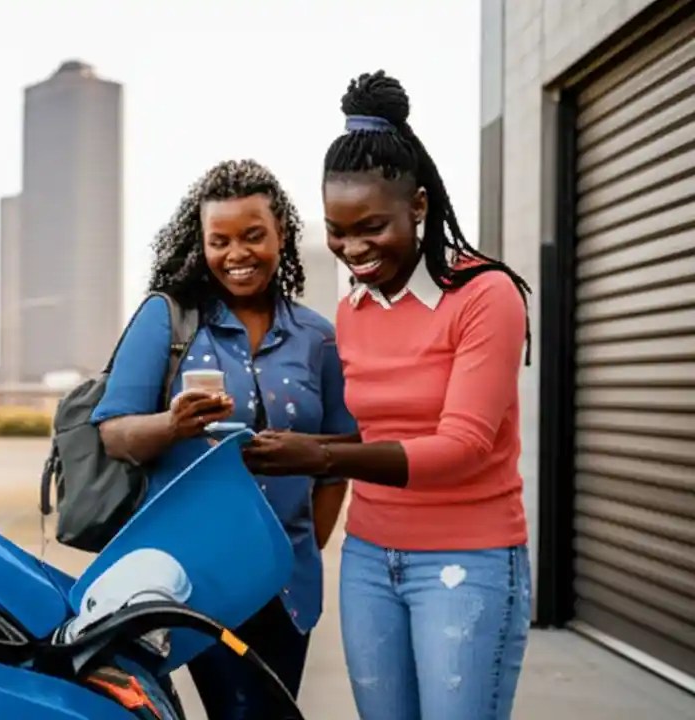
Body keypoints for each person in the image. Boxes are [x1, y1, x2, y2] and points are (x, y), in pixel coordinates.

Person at [242, 70, 534, 720]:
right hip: (371, 558)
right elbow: (377, 436)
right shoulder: (357, 307)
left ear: (420, 206)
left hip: (468, 562)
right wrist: (290, 449)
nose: (352, 250)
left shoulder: (485, 296)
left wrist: (318, 458)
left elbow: (461, 447)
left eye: (371, 226)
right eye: (337, 231)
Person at [90, 159, 357, 718]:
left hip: (287, 586)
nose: (237, 254)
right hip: (201, 574)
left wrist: (298, 550)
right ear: (202, 245)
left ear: (281, 233)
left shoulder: (318, 338)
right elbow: (115, 433)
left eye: (253, 235)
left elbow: (337, 460)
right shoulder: (167, 320)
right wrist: (173, 424)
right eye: (220, 241)